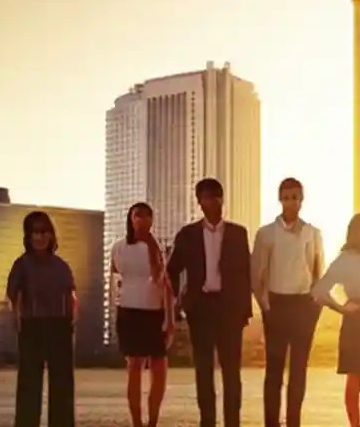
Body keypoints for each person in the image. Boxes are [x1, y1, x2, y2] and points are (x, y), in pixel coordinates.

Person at [167, 177, 253, 427]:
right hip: (200, 310)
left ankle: (232, 423)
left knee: (231, 372)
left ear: (222, 200)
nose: (212, 202)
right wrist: (177, 303)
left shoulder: (238, 233)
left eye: (216, 197)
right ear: (199, 202)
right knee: (203, 372)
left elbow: (245, 273)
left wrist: (245, 311)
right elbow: (172, 269)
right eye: (206, 197)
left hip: (229, 311)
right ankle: (207, 422)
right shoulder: (187, 234)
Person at [252, 177, 325, 427]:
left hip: (304, 305)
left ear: (302, 200)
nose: (291, 202)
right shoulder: (266, 234)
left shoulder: (312, 233)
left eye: (295, 197)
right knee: (274, 370)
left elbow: (318, 273)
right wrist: (266, 306)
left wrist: (315, 306)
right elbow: (257, 274)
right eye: (286, 197)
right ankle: (271, 422)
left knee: (299, 371)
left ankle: (294, 421)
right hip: (276, 304)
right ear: (280, 199)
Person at [312, 213, 360, 427]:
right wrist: (340, 308)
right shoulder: (345, 259)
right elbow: (319, 290)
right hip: (356, 320)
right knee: (354, 378)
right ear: (353, 233)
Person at [7, 210, 78, 427]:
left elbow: (72, 296)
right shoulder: (21, 264)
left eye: (43, 232)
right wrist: (16, 321)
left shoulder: (62, 266)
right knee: (29, 385)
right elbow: (13, 297)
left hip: (60, 326)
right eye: (34, 233)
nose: (39, 237)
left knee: (62, 385)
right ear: (28, 236)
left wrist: (73, 322)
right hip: (32, 327)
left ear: (50, 235)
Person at [110, 202, 175, 427]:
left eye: (148, 215)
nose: (143, 220)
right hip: (129, 311)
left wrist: (171, 320)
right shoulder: (118, 248)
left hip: (154, 312)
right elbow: (116, 280)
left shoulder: (158, 248)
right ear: (131, 218)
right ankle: (137, 421)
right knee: (134, 367)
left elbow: (165, 285)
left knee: (159, 368)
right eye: (138, 215)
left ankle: (153, 420)